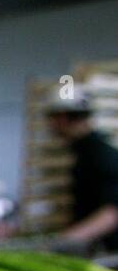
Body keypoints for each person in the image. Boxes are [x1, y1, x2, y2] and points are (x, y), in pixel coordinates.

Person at [48, 93, 118, 251]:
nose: (50, 125)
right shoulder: (84, 153)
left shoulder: (100, 156)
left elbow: (112, 212)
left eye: (52, 119)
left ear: (62, 118)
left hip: (108, 250)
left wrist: (68, 239)